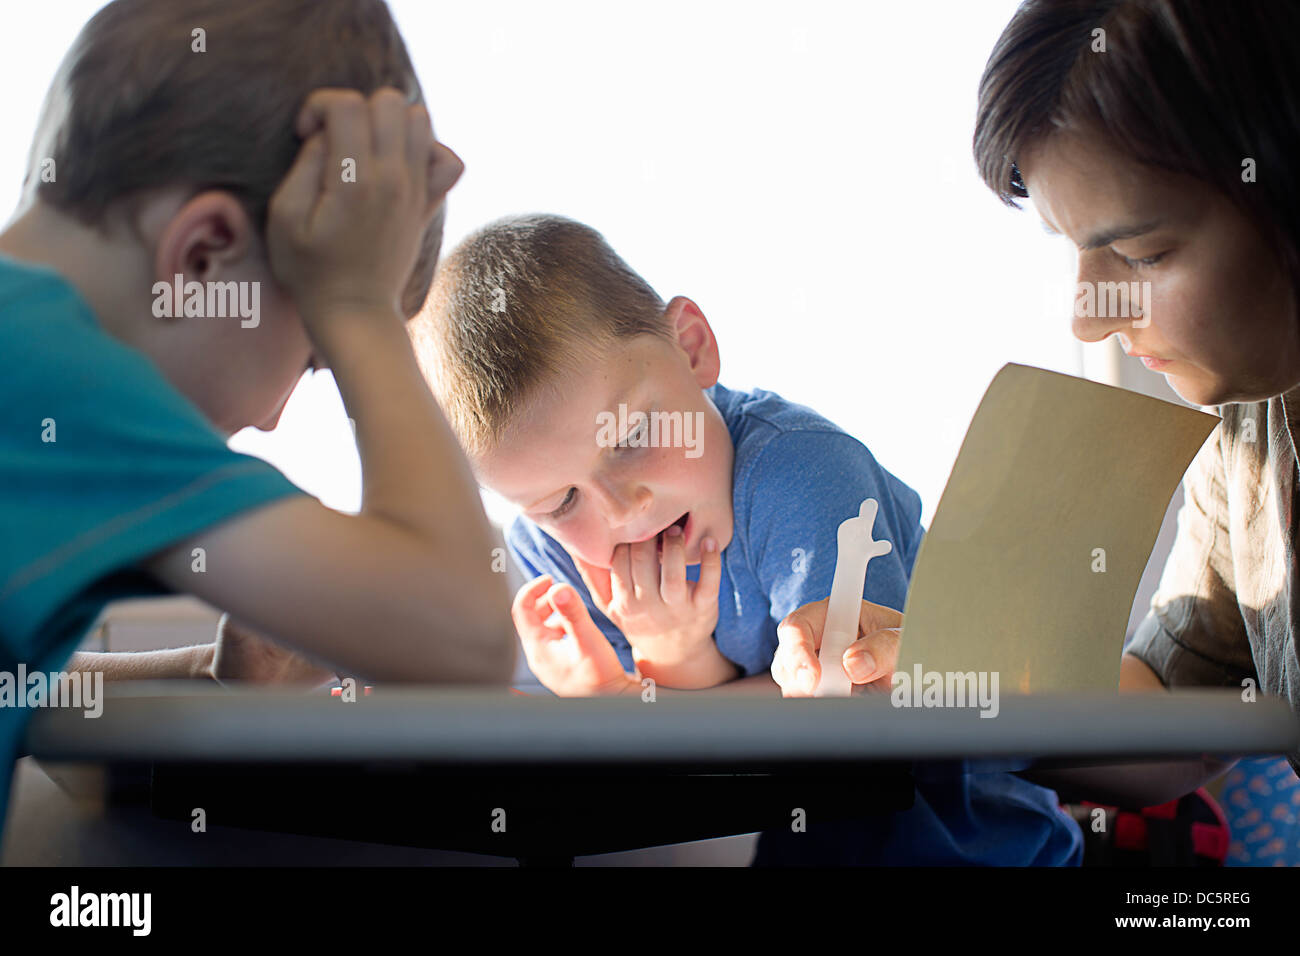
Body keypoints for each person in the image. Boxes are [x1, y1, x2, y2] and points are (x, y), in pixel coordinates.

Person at [410, 213, 1084, 864]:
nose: (621, 512)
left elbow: (842, 723)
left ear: (692, 346)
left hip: (969, 842)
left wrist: (626, 706)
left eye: (632, 439)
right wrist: (666, 656)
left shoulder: (801, 474)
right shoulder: (551, 554)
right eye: (560, 501)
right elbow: (677, 766)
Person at [0, 0, 515, 836]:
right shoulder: (57, 373)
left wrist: (210, 669)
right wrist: (358, 305)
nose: (276, 419)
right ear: (202, 257)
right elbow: (467, 639)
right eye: (315, 357)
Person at [972, 0, 1300, 791]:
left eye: (1141, 254)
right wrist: (945, 690)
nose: (1090, 319)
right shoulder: (1246, 434)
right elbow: (1173, 706)